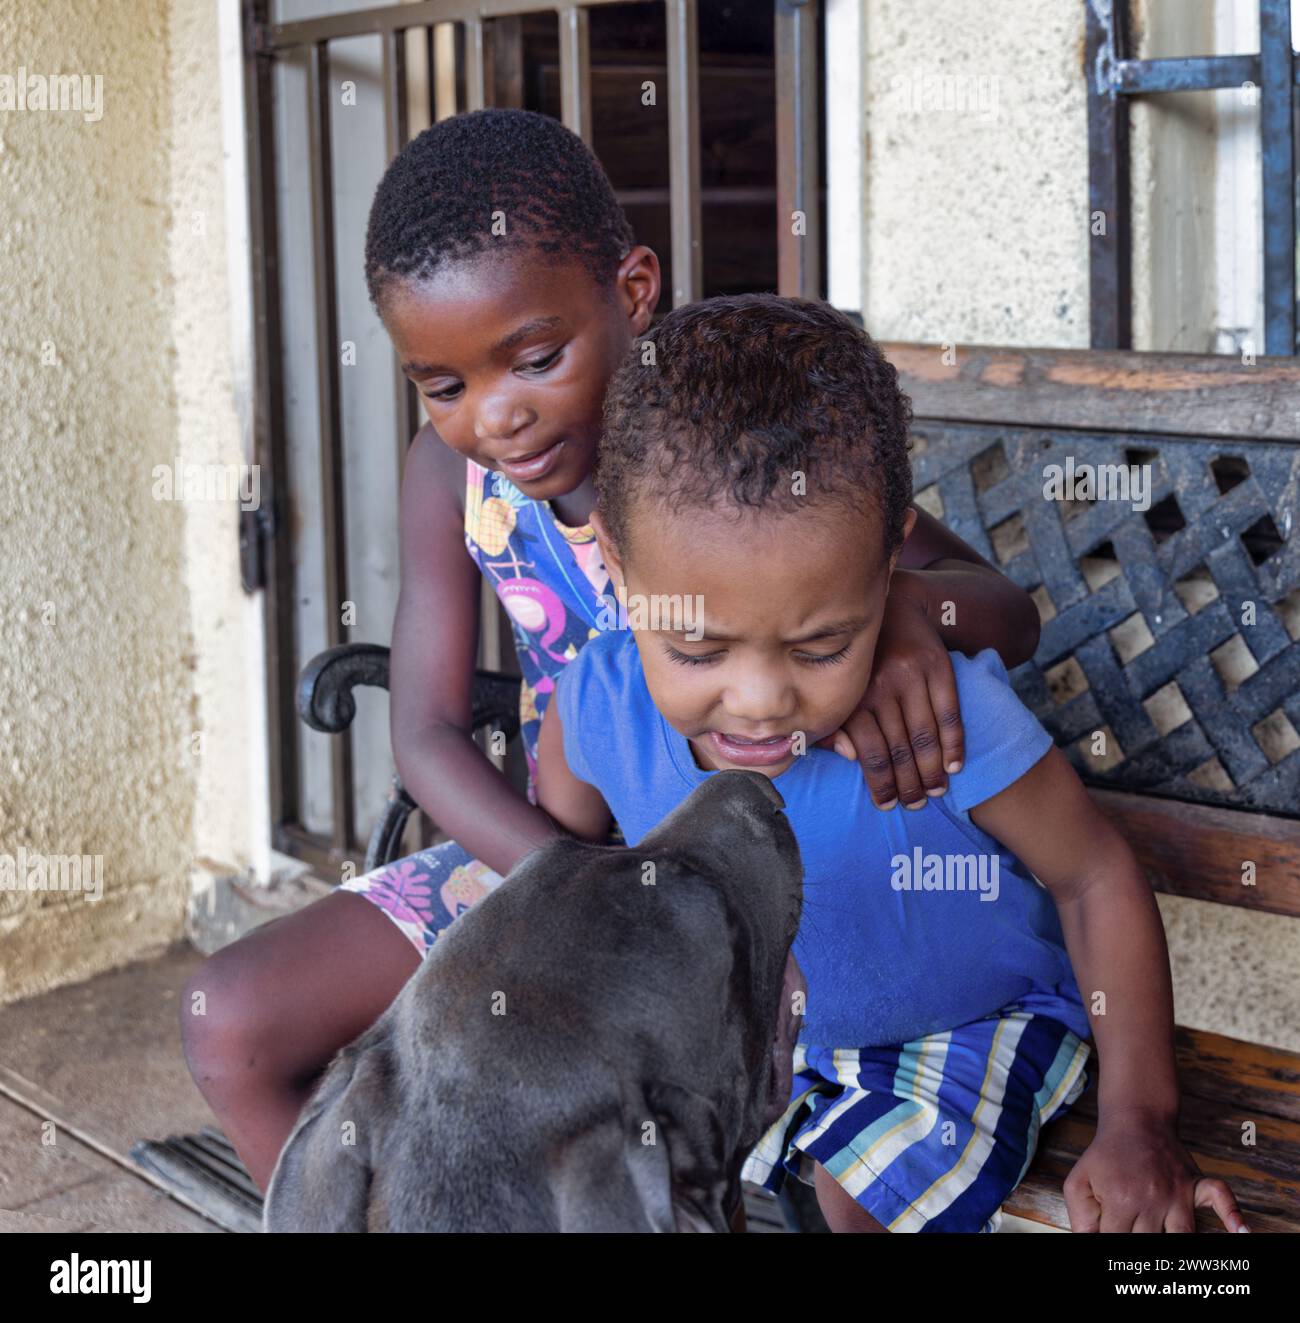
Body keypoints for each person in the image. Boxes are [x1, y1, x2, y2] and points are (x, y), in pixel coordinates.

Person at [181, 109, 1042, 1198]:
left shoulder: (724, 453)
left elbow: (1004, 609)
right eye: (444, 386)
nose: (497, 414)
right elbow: (428, 732)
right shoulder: (450, 482)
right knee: (229, 1021)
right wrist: (562, 889)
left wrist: (915, 610)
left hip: (751, 859)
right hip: (555, 849)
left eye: (535, 357)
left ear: (632, 293)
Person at [533, 293, 1249, 1234]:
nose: (760, 699)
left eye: (823, 645)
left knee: (859, 1195)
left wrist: (1140, 1120)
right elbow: (562, 833)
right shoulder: (601, 701)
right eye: (701, 651)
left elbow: (1093, 874)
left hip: (963, 1022)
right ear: (618, 572)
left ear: (888, 575)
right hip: (769, 1033)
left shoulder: (934, 713)